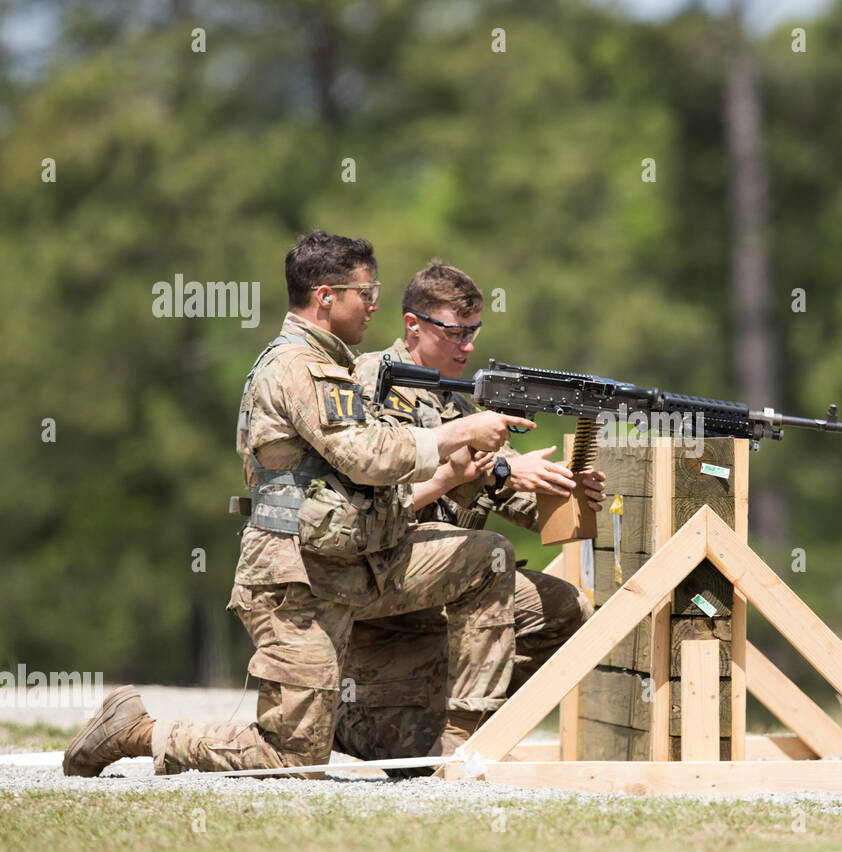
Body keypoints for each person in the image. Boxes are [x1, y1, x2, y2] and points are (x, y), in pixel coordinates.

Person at [63, 232, 535, 778]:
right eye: (366, 292)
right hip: (296, 579)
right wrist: (462, 432)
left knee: (485, 559)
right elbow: (365, 456)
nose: (375, 305)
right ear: (326, 296)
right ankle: (136, 732)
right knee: (292, 758)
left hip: (353, 566)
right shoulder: (298, 367)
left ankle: (462, 742)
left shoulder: (335, 366)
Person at [334, 260, 606, 766]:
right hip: (374, 567)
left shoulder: (460, 403)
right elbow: (369, 483)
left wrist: (564, 487)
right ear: (412, 325)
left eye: (474, 332)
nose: (468, 346)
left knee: (565, 611)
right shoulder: (372, 379)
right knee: (491, 558)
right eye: (455, 332)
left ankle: (466, 728)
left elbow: (514, 500)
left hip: (446, 585)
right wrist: (498, 471)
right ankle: (449, 740)